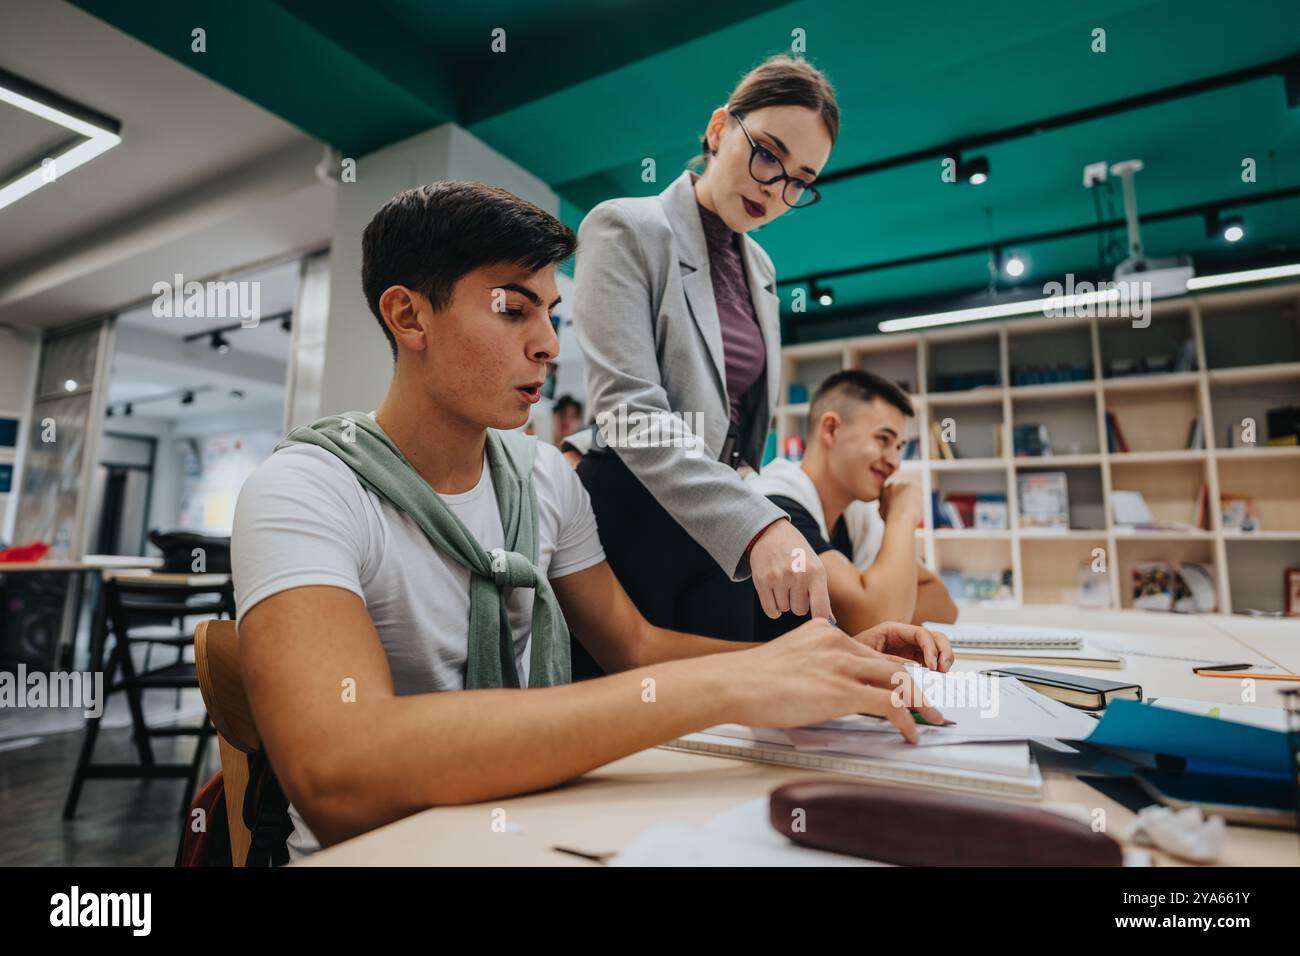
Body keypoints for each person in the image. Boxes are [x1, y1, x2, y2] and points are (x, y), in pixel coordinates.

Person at [232, 181, 952, 857]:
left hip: (539, 820)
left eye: (552, 314)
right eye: (514, 310)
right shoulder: (305, 489)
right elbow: (338, 774)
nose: (548, 344)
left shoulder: (544, 477)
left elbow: (634, 648)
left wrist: (815, 662)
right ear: (408, 315)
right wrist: (738, 684)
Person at [571, 55, 841, 677]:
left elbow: (738, 431)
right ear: (720, 129)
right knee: (632, 740)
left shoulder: (764, 270)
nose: (775, 189)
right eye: (768, 154)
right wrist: (758, 524)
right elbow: (630, 413)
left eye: (799, 180)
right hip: (634, 519)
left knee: (726, 725)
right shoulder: (626, 227)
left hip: (720, 534)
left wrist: (758, 508)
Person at [746, 371, 959, 641]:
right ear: (831, 429)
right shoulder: (776, 505)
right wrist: (902, 517)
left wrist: (879, 601)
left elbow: (942, 606)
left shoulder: (856, 513)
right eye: (883, 439)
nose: (894, 461)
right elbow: (876, 620)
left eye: (899, 447)